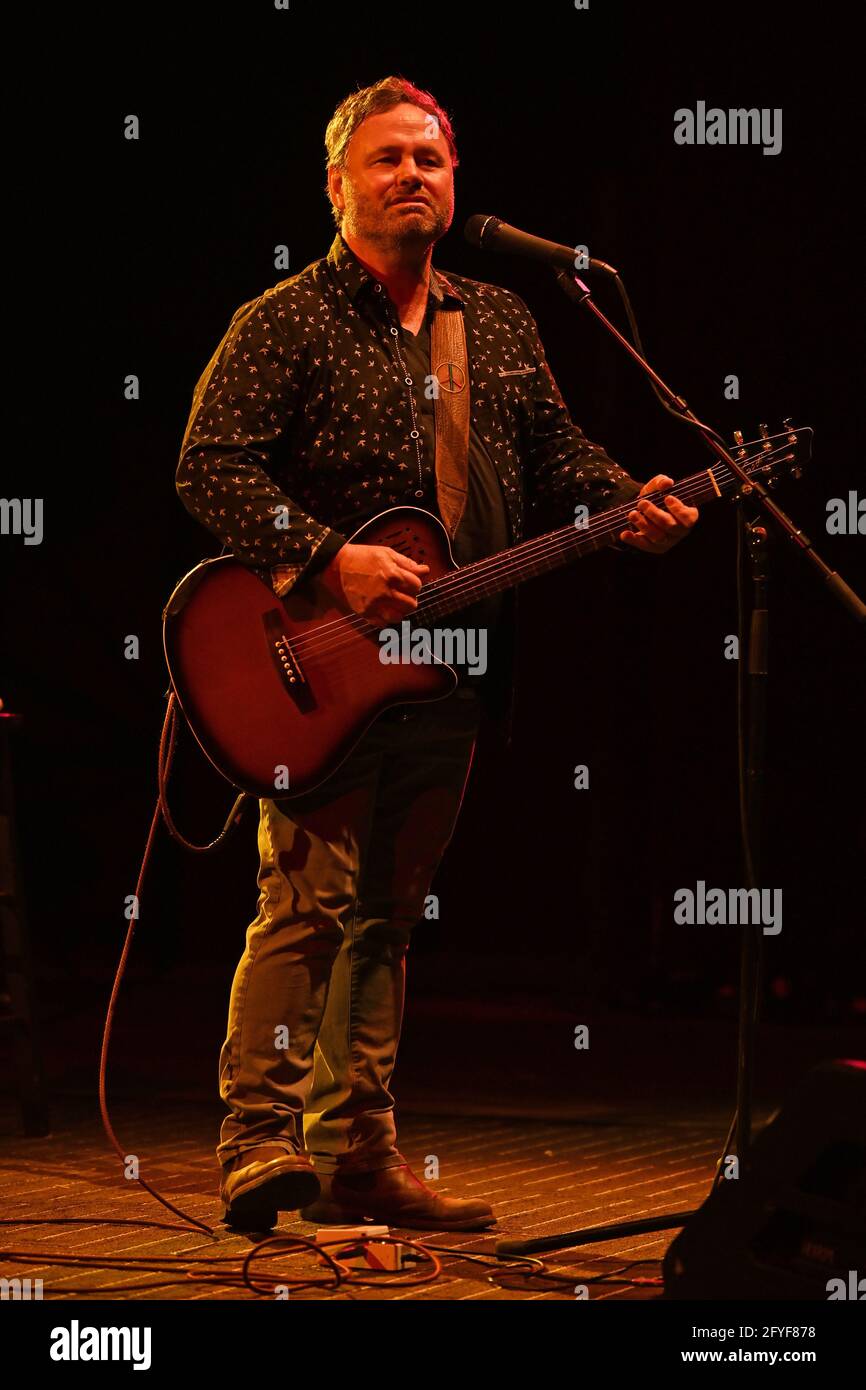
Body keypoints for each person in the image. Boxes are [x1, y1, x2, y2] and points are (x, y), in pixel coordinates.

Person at [175, 75, 699, 1233]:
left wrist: (636, 500)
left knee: (388, 916)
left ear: (455, 180)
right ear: (336, 184)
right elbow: (207, 467)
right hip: (310, 670)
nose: (412, 175)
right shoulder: (285, 320)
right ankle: (254, 1144)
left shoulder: (495, 319)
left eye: (430, 158)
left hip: (449, 665)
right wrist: (327, 559)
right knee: (302, 904)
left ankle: (358, 1152)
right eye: (385, 159)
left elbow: (558, 456)